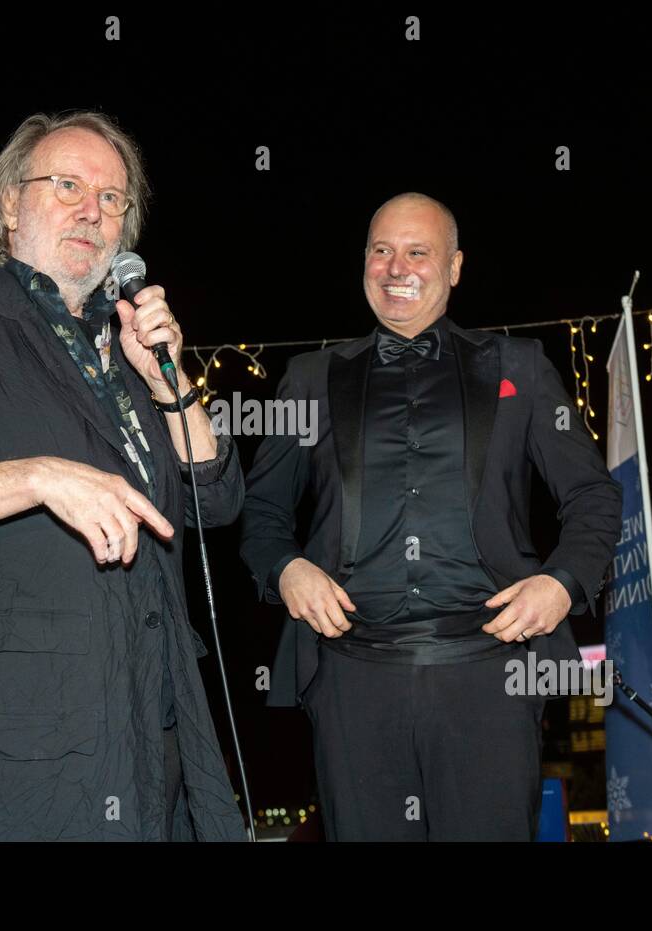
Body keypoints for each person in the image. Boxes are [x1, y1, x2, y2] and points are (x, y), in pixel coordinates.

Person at [0, 111, 246, 841]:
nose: (90, 210)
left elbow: (218, 500)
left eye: (111, 198)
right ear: (10, 203)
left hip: (155, 723)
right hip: (22, 741)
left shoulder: (130, 346)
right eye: (67, 184)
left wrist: (168, 379)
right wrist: (37, 476)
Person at [240, 193, 623, 840]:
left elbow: (592, 496)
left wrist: (560, 583)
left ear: (454, 267)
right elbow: (260, 510)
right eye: (381, 251)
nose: (397, 267)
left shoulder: (518, 368)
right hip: (350, 680)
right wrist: (285, 568)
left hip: (490, 674)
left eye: (418, 251)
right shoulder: (307, 378)